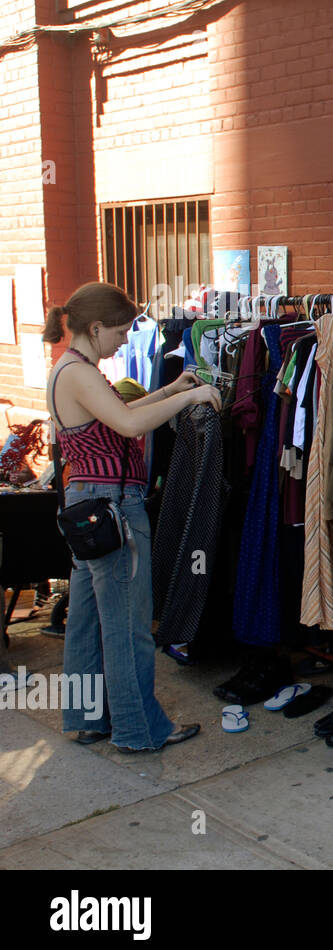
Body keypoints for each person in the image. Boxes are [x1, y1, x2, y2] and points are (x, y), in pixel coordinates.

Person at [43, 282, 221, 753]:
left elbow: (115, 413)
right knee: (128, 627)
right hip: (112, 507)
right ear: (95, 327)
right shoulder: (79, 373)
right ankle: (140, 730)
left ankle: (88, 720)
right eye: (120, 332)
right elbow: (126, 425)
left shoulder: (71, 368)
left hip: (87, 504)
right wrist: (190, 398)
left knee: (86, 623)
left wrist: (168, 388)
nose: (125, 341)